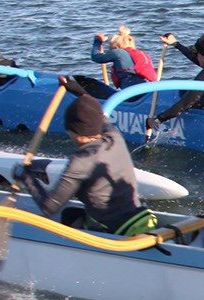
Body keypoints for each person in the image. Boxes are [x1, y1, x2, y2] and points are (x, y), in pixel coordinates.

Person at [19, 90, 156, 236]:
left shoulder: (80, 162)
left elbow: (49, 207)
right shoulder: (115, 138)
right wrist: (76, 90)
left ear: (72, 130)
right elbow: (97, 114)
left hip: (115, 234)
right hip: (140, 220)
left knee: (68, 217)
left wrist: (25, 175)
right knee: (71, 213)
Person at [93, 27, 158, 90]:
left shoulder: (118, 52)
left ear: (116, 46)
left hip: (130, 86)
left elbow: (96, 57)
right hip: (147, 85)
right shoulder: (142, 53)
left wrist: (97, 41)